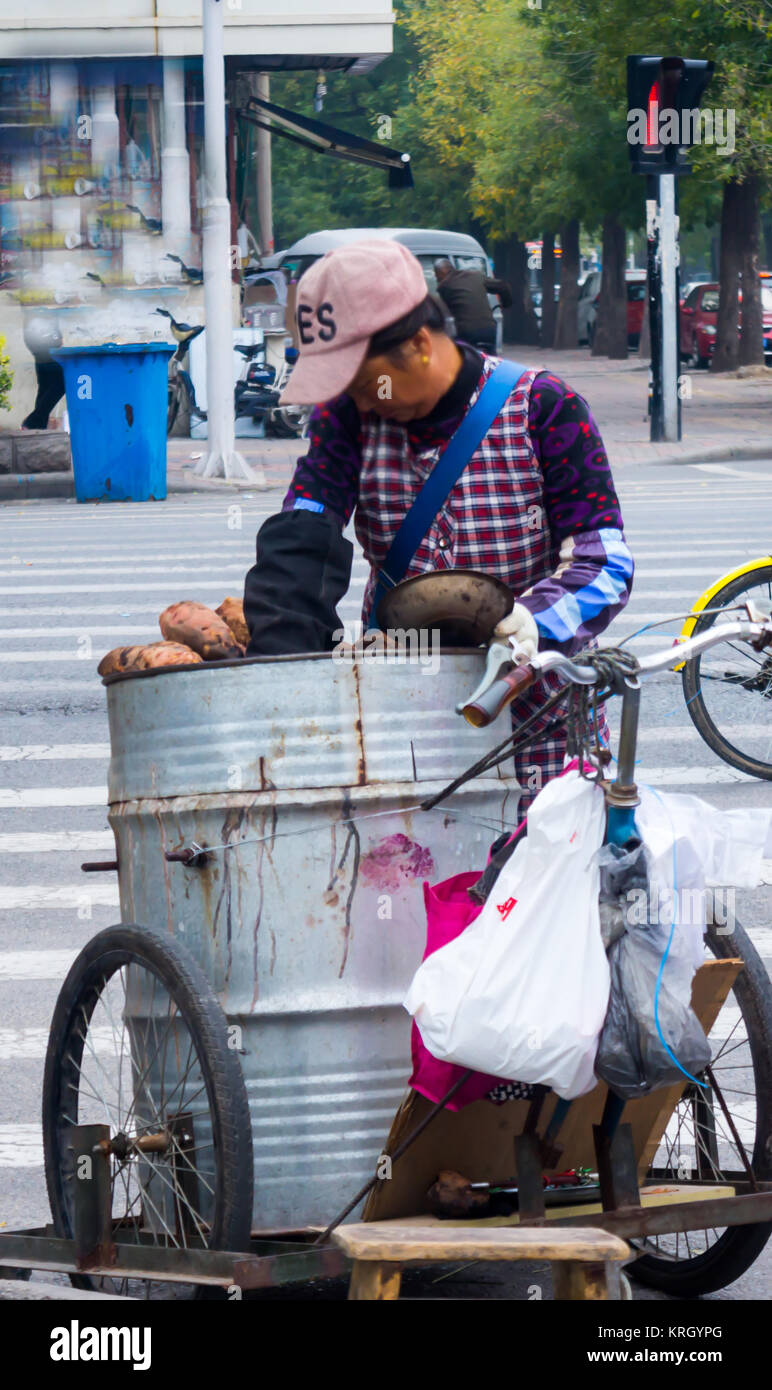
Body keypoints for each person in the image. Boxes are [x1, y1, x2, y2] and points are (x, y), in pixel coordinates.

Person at [243, 238, 634, 811]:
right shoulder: (348, 417)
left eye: (362, 380)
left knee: (538, 892)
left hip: (540, 726)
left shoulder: (545, 407)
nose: (358, 400)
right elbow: (306, 531)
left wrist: (534, 621)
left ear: (419, 345)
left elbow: (606, 563)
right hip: (401, 724)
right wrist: (283, 679)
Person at [433, 256, 512, 352]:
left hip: (467, 333)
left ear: (442, 272)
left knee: (461, 358)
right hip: (489, 329)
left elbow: (444, 312)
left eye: (437, 275)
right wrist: (506, 303)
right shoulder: (476, 276)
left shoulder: (444, 287)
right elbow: (503, 286)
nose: (437, 279)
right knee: (491, 360)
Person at [21, 314, 65, 430]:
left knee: (44, 389)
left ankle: (38, 426)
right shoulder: (46, 313)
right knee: (60, 384)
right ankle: (32, 422)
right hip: (51, 354)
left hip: (39, 355)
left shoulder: (30, 314)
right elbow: (59, 340)